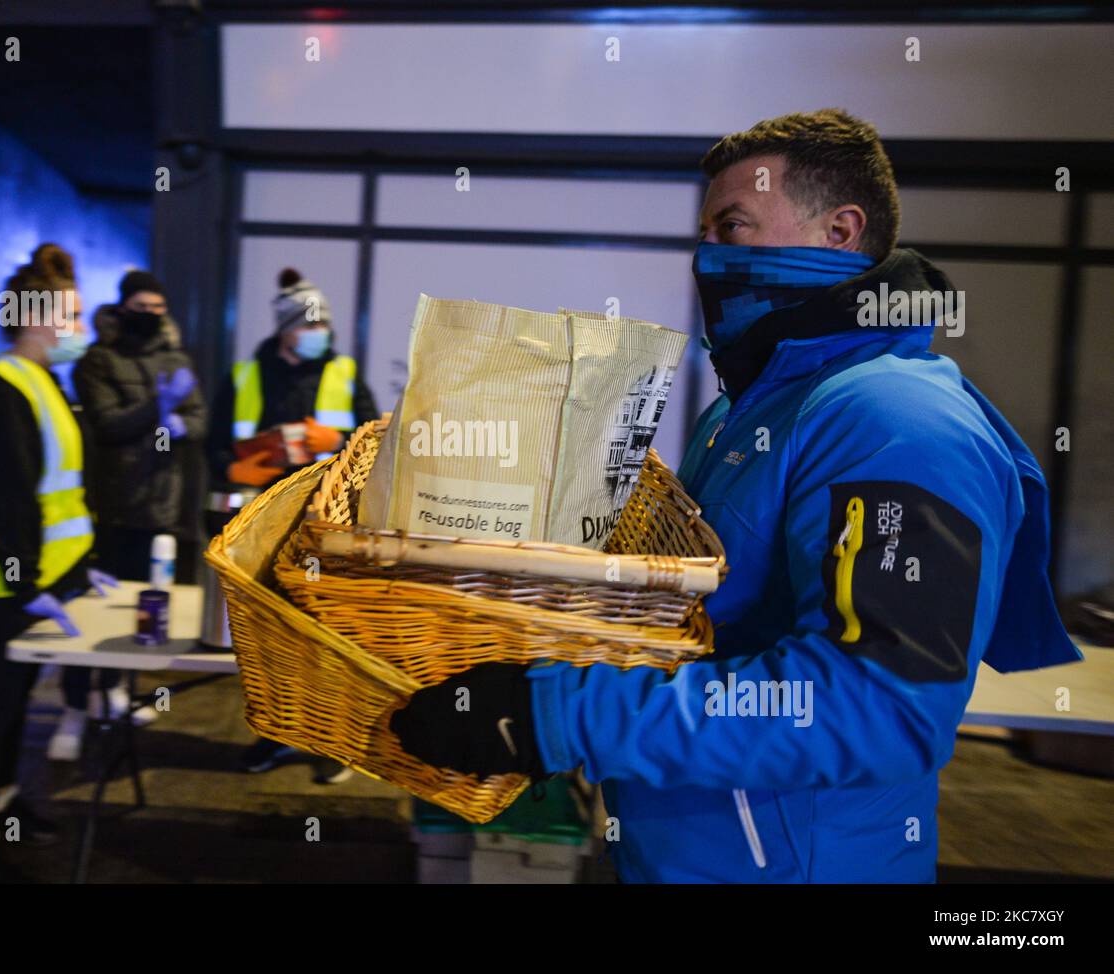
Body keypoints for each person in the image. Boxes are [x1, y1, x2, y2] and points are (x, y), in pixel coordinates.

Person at [390, 109, 1082, 883]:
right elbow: (702, 619)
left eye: (734, 225)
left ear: (840, 232)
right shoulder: (742, 412)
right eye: (706, 231)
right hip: (684, 848)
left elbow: (879, 709)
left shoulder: (897, 422)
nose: (707, 255)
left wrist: (560, 716)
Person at [0, 243, 118, 883]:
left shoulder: (45, 384)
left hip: (37, 583)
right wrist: (25, 583)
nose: (81, 325)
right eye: (73, 313)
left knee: (12, 705)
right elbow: (5, 498)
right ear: (39, 319)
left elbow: (55, 496)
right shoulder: (0, 388)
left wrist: (75, 571)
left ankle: (7, 811)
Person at [208, 267, 378, 782]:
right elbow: (214, 444)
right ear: (285, 329)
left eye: (323, 324)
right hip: (261, 523)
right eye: (309, 325)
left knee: (328, 635)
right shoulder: (244, 377)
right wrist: (230, 467)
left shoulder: (345, 374)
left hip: (326, 525)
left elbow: (375, 441)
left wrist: (337, 439)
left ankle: (335, 742)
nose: (319, 333)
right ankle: (277, 735)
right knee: (272, 639)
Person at [46, 271, 207, 761]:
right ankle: (75, 707)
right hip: (111, 503)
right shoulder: (99, 359)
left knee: (141, 609)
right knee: (90, 610)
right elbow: (108, 425)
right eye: (142, 306)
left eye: (160, 307)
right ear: (124, 307)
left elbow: (200, 417)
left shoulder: (176, 357)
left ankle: (114, 692)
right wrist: (156, 407)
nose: (152, 315)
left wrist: (181, 422)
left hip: (163, 503)